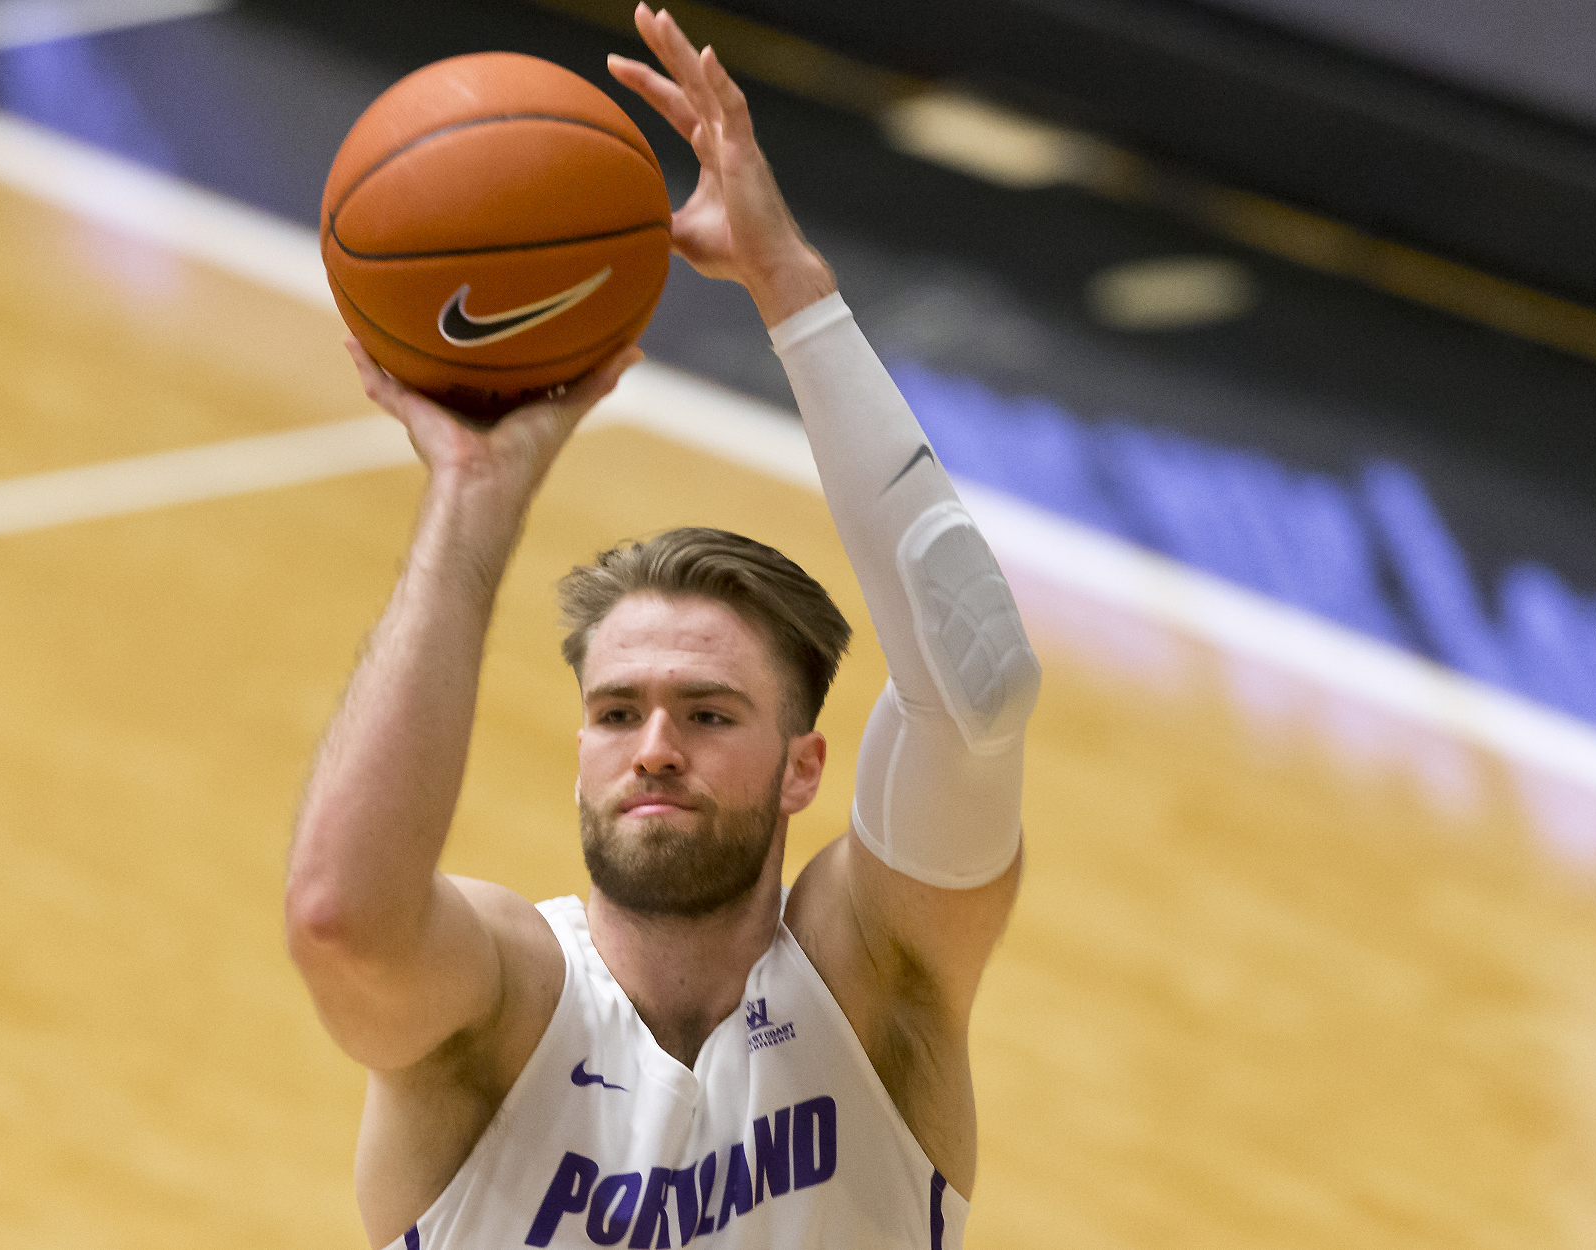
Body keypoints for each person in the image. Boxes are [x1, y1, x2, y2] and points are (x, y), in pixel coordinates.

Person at [287, 6, 1041, 1246]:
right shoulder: (506, 1010)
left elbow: (976, 682)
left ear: (802, 766)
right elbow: (341, 922)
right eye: (615, 710)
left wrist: (791, 289)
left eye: (707, 712)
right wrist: (473, 496)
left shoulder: (873, 988)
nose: (652, 745)